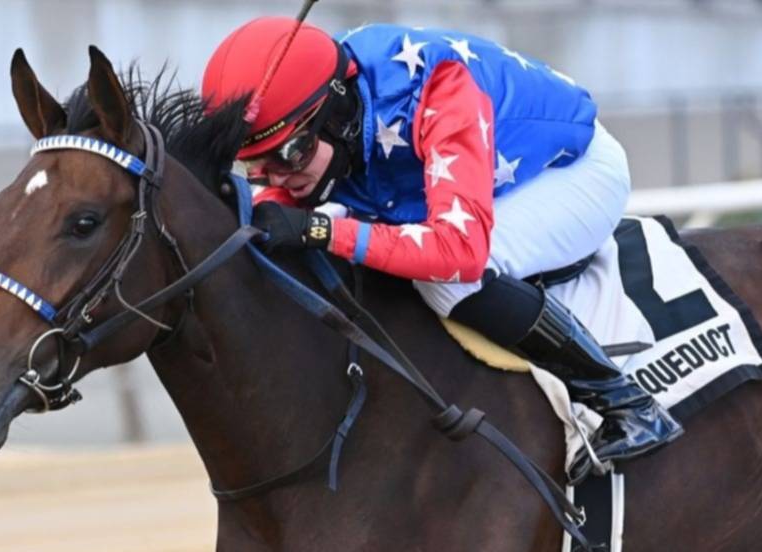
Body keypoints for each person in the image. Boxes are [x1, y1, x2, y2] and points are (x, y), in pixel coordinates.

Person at [201, 18, 682, 484]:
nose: (278, 177)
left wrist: (323, 231)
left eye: (292, 154)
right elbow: (276, 203)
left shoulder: (439, 89)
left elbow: (458, 253)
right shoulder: (314, 102)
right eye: (256, 166)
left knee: (446, 284)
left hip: (570, 172)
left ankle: (625, 403)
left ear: (338, 114)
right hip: (460, 170)